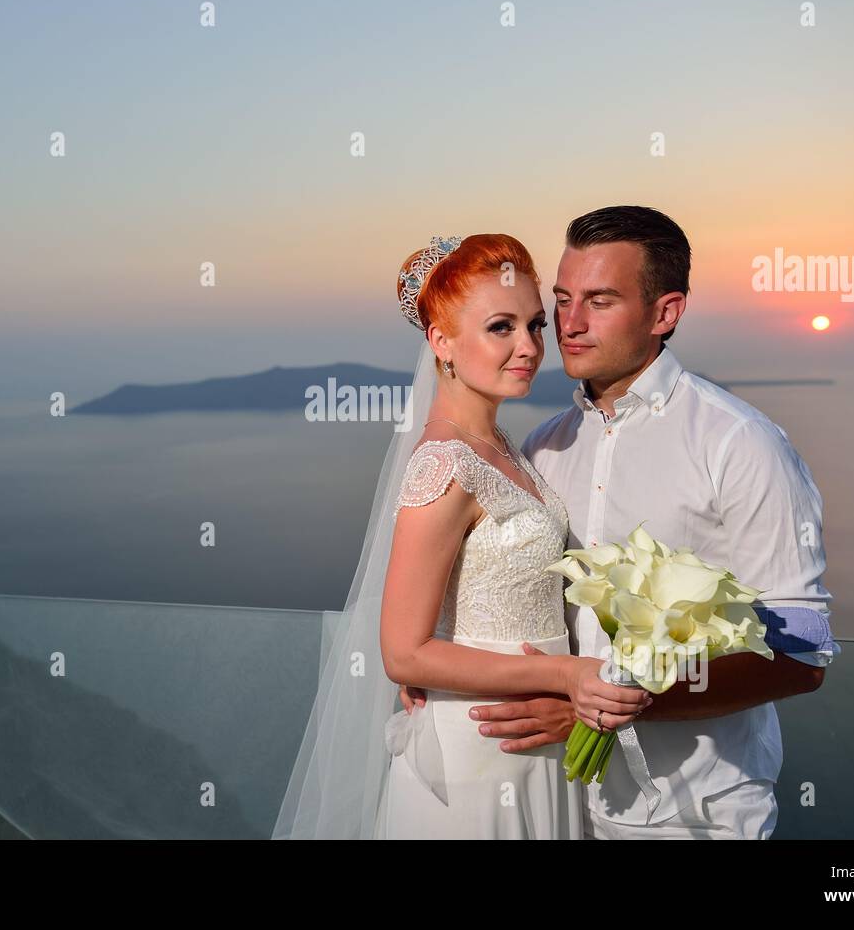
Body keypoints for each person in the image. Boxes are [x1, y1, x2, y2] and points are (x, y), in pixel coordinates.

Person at [463, 206, 842, 839]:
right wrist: (437, 672)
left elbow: (802, 655)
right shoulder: (541, 450)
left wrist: (605, 709)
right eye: (562, 300)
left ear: (665, 313)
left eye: (600, 301)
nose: (570, 324)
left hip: (696, 813)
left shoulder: (740, 445)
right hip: (558, 800)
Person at [272, 234, 649, 839]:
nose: (528, 347)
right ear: (441, 341)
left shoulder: (506, 450)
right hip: (478, 752)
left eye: (533, 325)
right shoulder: (444, 464)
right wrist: (569, 675)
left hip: (532, 744)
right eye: (501, 327)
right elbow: (403, 652)